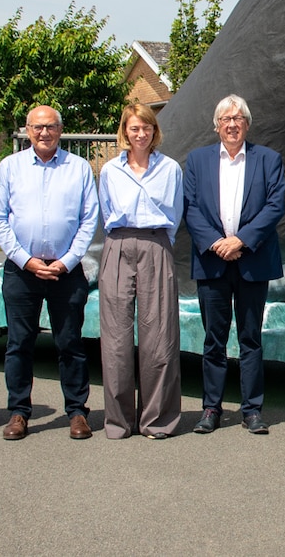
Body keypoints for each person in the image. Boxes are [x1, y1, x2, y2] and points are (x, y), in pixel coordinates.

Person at [0, 105, 99, 441]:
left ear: (60, 130)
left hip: (67, 271)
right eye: (37, 127)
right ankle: (19, 412)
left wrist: (67, 260)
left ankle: (77, 411)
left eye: (50, 127)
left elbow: (89, 219)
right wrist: (26, 260)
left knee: (71, 344)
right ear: (27, 130)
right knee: (19, 344)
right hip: (22, 271)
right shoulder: (10, 167)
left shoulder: (78, 168)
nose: (44, 133)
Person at [185, 94, 285, 435]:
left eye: (237, 119)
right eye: (225, 119)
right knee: (214, 339)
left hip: (251, 260)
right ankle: (211, 408)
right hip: (212, 262)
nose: (232, 124)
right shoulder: (197, 160)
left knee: (250, 338)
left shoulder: (267, 159)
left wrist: (239, 240)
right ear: (216, 126)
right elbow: (191, 208)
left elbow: (275, 205)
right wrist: (217, 243)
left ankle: (252, 410)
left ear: (246, 123)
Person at [97, 103, 183, 440]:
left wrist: (157, 244)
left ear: (154, 131)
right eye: (134, 128)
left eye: (146, 128)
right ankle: (119, 421)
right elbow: (106, 212)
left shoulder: (170, 169)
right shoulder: (109, 171)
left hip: (156, 244)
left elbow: (174, 214)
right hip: (118, 245)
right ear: (125, 132)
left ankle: (157, 420)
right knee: (116, 339)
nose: (141, 134)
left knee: (158, 336)